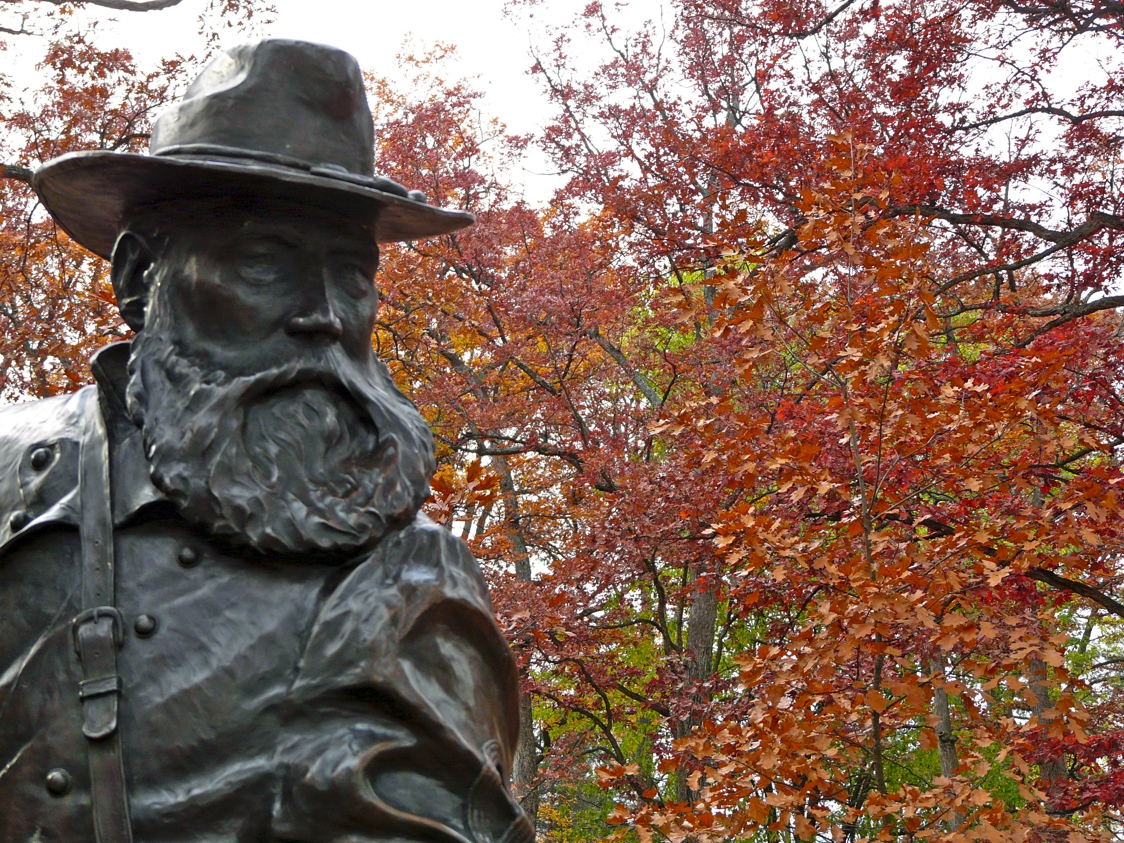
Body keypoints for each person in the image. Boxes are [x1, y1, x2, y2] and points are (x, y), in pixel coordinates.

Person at [0, 38, 532, 843]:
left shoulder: (416, 583)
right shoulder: (12, 472)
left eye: (351, 275)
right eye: (263, 263)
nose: (323, 313)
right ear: (140, 278)